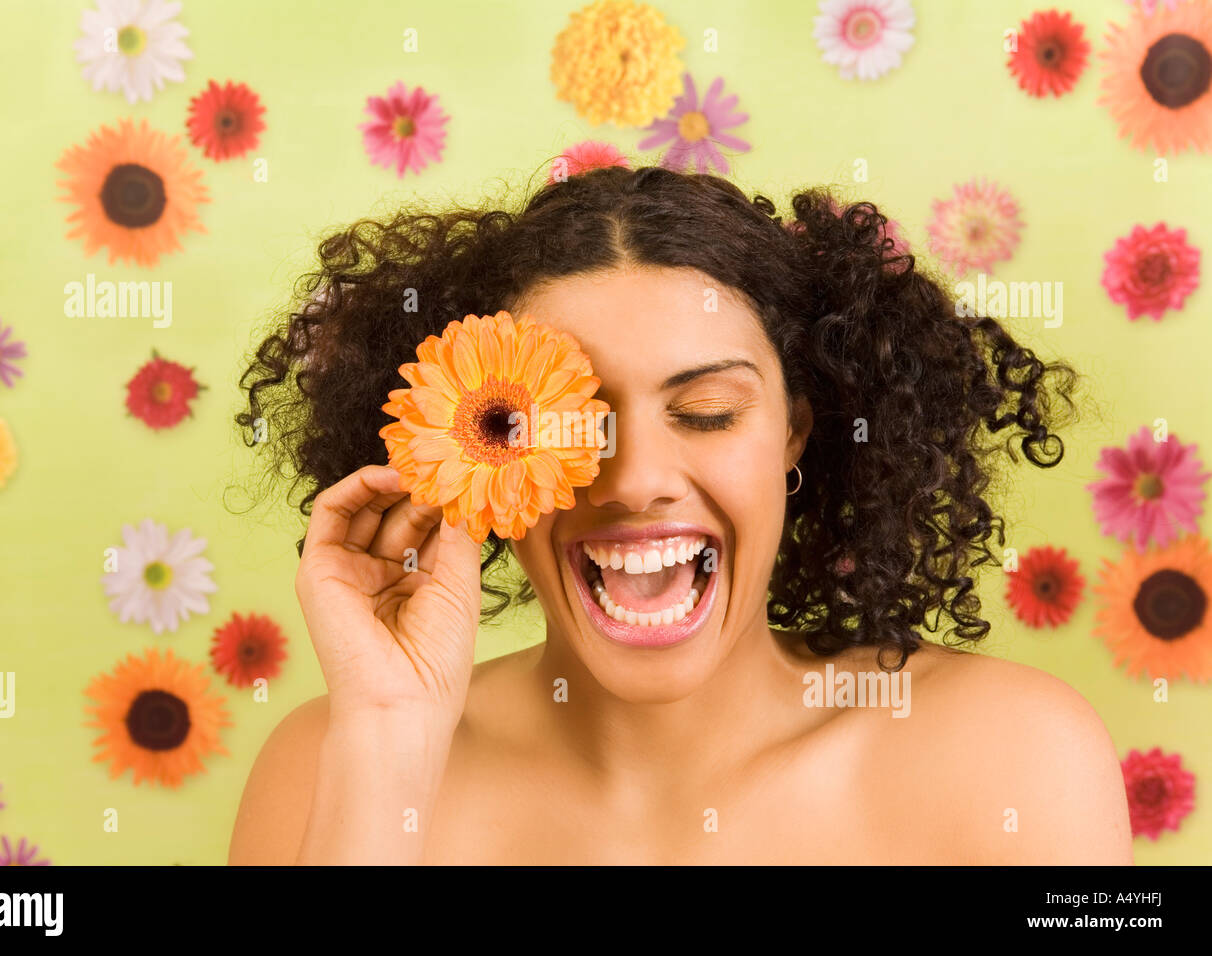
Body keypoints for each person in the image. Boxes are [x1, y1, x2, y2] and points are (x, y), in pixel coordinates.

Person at [228, 164, 1132, 864]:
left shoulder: (1012, 753)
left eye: (706, 413)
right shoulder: (330, 762)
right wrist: (387, 746)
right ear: (480, 447)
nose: (633, 479)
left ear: (794, 436)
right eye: (569, 425)